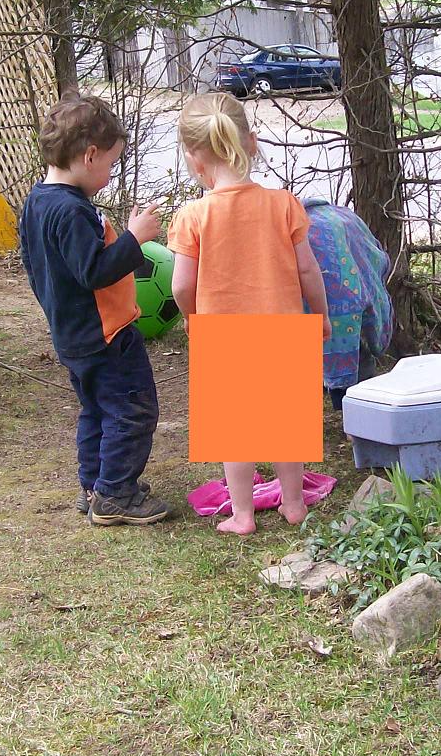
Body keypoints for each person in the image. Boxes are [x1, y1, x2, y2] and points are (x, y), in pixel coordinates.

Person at [167, 92, 330, 536]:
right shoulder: (284, 204)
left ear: (193, 158)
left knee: (235, 430)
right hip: (283, 327)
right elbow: (308, 270)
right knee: (285, 423)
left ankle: (242, 515)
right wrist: (321, 315)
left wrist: (191, 317)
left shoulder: (193, 215)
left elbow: (181, 284)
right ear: (251, 143)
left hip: (224, 334)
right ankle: (293, 504)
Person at [19, 94, 172, 526]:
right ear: (89, 156)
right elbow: (94, 271)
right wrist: (134, 238)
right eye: (110, 163)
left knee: (97, 410)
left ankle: (94, 484)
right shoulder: (69, 211)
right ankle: (115, 493)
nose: (109, 173)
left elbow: (34, 264)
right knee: (134, 409)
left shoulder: (37, 202)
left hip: (73, 334)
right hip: (105, 335)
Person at [303, 197, 393, 409]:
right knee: (356, 351)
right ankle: (359, 419)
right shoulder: (344, 219)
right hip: (350, 304)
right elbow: (372, 259)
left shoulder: (296, 223)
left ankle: (358, 417)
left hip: (331, 305)